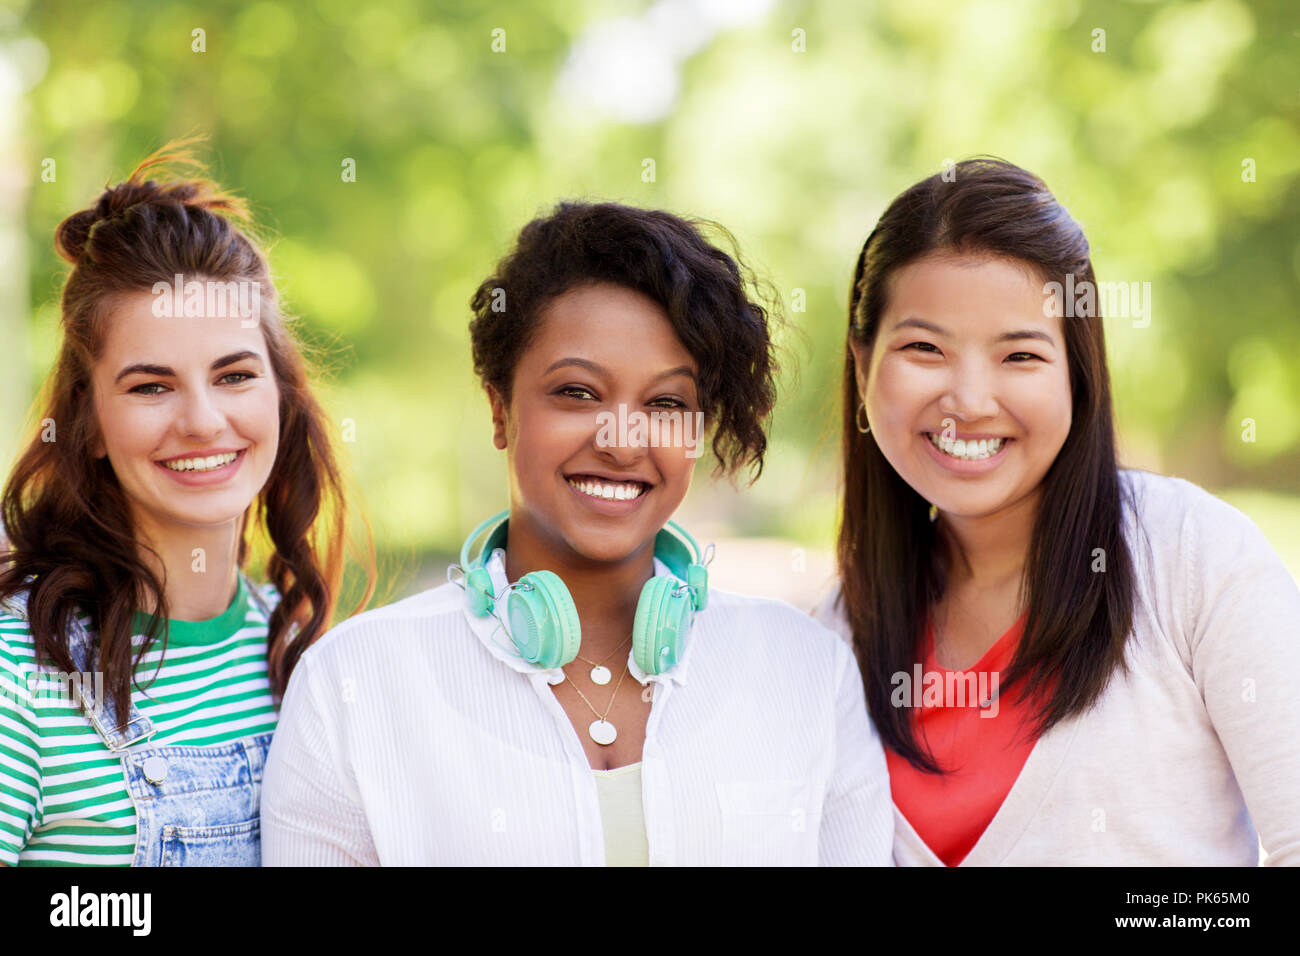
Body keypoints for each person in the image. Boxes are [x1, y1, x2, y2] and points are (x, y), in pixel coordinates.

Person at [262, 201, 894, 865]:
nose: (623, 441)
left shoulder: (809, 671)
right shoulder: (353, 684)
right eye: (578, 393)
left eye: (666, 403)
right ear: (499, 407)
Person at [813, 157, 1300, 866]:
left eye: (1019, 355)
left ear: (1077, 369)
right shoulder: (839, 635)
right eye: (925, 349)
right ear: (863, 366)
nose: (971, 400)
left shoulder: (1192, 557)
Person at [0, 141, 374, 866]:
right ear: (90, 423)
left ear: (281, 394)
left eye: (234, 375)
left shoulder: (305, 661)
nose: (202, 421)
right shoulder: (19, 670)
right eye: (150, 386)